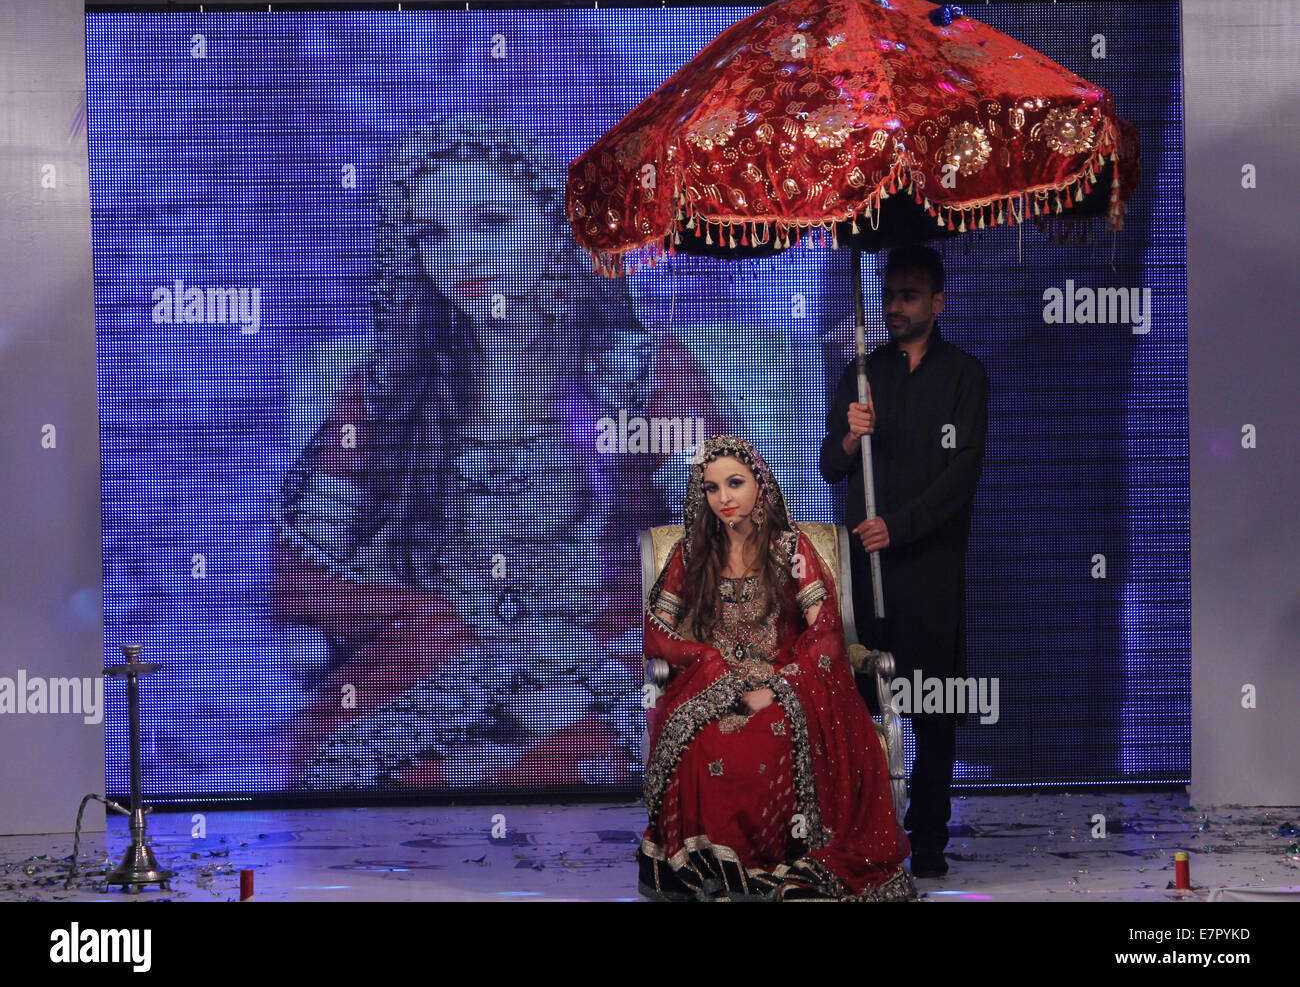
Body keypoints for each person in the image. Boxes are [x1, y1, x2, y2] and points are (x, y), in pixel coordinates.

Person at [269, 117, 732, 790]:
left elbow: (729, 535)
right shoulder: (392, 385)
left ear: (552, 228)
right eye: (432, 234)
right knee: (368, 774)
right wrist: (437, 626)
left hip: (608, 665)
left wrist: (586, 662)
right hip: (441, 662)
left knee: (590, 771)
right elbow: (302, 558)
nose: (459, 256)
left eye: (490, 222)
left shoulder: (636, 369)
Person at [637, 434, 917, 901]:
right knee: (701, 739)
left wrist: (784, 687)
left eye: (735, 483)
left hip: (786, 683)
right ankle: (719, 871)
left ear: (760, 485)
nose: (724, 498)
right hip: (714, 685)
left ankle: (783, 867)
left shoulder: (791, 548)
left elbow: (826, 630)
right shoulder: (692, 552)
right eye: (711, 488)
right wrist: (707, 659)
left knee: (764, 734)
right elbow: (655, 635)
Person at [820, 244, 989, 878]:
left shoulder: (966, 378)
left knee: (932, 708)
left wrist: (901, 525)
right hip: (864, 573)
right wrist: (850, 435)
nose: (895, 306)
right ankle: (865, 832)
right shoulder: (861, 375)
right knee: (862, 704)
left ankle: (929, 838)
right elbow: (830, 467)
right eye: (889, 295)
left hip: (930, 571)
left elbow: (961, 475)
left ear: (938, 302)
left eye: (909, 295)